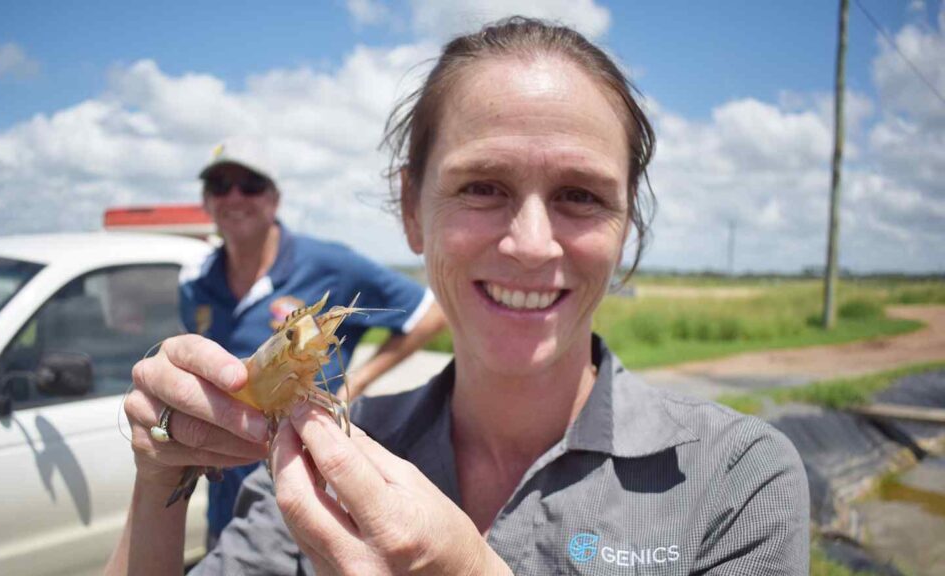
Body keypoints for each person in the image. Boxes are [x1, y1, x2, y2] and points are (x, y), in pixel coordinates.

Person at [109, 17, 809, 575]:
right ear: (412, 210)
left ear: (629, 225)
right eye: (483, 187)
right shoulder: (316, 459)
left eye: (581, 196)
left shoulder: (735, 477)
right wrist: (157, 483)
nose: (532, 243)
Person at [178, 137, 446, 545]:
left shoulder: (330, 263)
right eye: (219, 185)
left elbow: (431, 313)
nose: (234, 196)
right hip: (225, 504)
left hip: (305, 511)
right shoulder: (196, 282)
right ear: (206, 201)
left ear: (274, 198)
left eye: (249, 185)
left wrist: (355, 377)